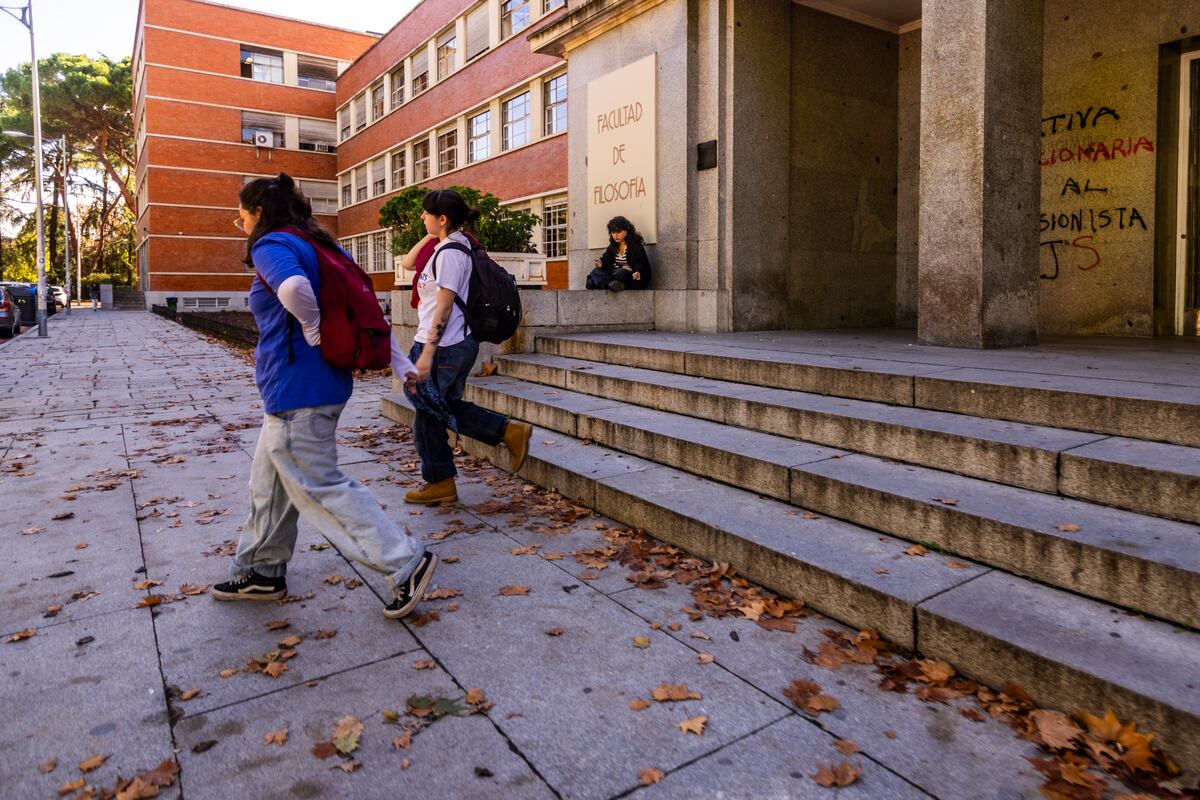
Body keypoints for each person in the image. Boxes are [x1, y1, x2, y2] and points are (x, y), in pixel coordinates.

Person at [211, 172, 437, 620]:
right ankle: (261, 570)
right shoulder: (325, 246)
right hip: (316, 386)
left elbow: (294, 290)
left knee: (318, 486)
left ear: (259, 213)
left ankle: (403, 561)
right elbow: (367, 308)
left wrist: (312, 328)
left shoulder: (271, 244)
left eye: (241, 217)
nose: (241, 225)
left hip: (298, 389)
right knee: (269, 486)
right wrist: (400, 363)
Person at [404, 188, 532, 506]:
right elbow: (412, 267)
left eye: (426, 213)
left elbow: (444, 308)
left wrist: (429, 352)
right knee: (433, 408)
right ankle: (444, 478)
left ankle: (446, 476)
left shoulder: (450, 254)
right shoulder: (451, 245)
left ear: (442, 218)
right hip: (447, 344)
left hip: (444, 346)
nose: (422, 217)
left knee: (430, 409)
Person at [586, 216, 651, 291]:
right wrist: (601, 263)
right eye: (613, 232)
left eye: (618, 232)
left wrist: (638, 272)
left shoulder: (634, 244)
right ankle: (611, 285)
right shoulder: (613, 245)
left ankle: (605, 284)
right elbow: (606, 258)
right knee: (595, 271)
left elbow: (640, 262)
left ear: (626, 231)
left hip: (632, 276)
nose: (615, 236)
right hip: (615, 275)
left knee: (620, 272)